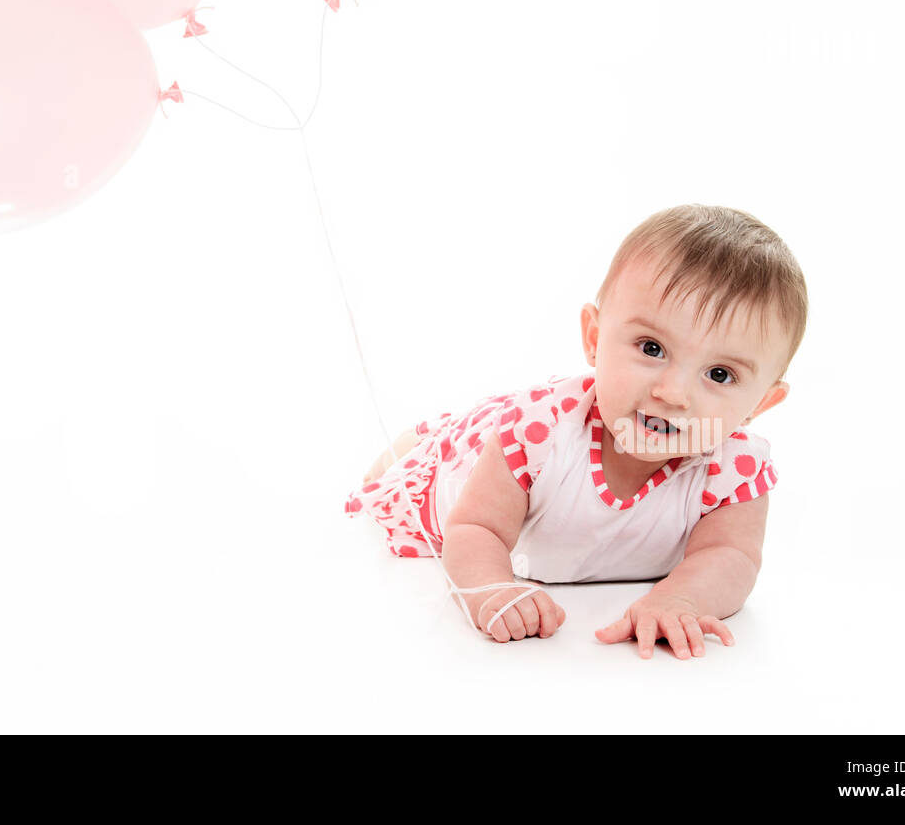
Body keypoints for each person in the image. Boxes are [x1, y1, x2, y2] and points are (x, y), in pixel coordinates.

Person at [345, 204, 808, 659]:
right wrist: (490, 590)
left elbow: (732, 557)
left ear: (761, 404)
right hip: (474, 461)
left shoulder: (735, 471)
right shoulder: (538, 436)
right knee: (424, 460)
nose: (674, 394)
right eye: (652, 348)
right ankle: (413, 444)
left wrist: (681, 599)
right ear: (594, 338)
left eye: (720, 375)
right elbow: (475, 526)